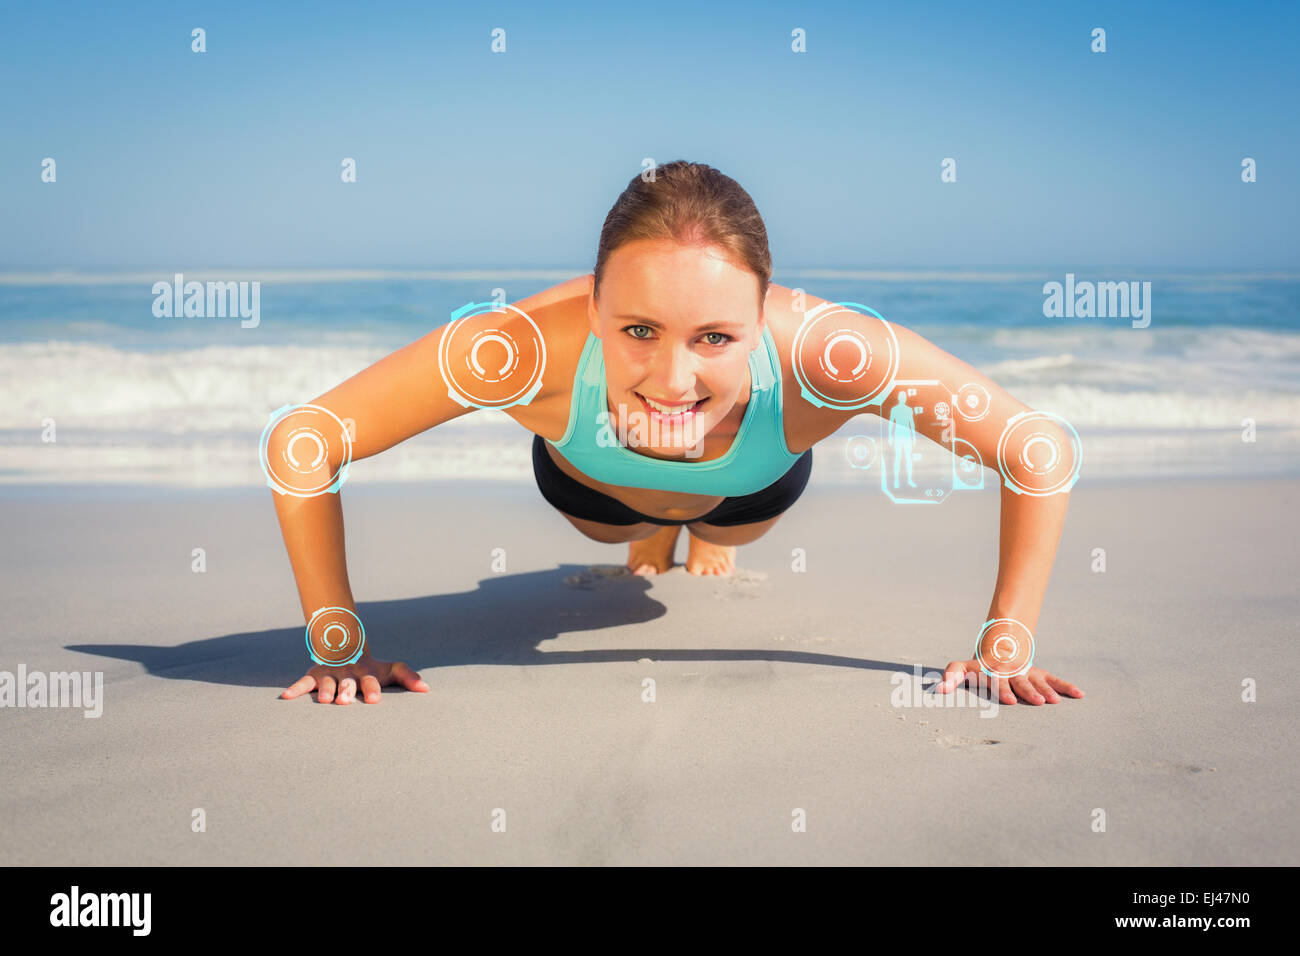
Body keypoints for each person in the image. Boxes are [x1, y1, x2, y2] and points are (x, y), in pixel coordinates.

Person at [275, 161, 1084, 709]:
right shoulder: (521, 348)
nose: (670, 379)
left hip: (750, 481)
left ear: (764, 320)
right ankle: (651, 537)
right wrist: (336, 642)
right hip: (591, 485)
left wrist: (1004, 643)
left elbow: (1034, 449)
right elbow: (305, 443)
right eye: (635, 328)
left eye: (714, 338)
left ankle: (701, 533)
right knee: (621, 531)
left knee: (724, 525)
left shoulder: (830, 356)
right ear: (589, 308)